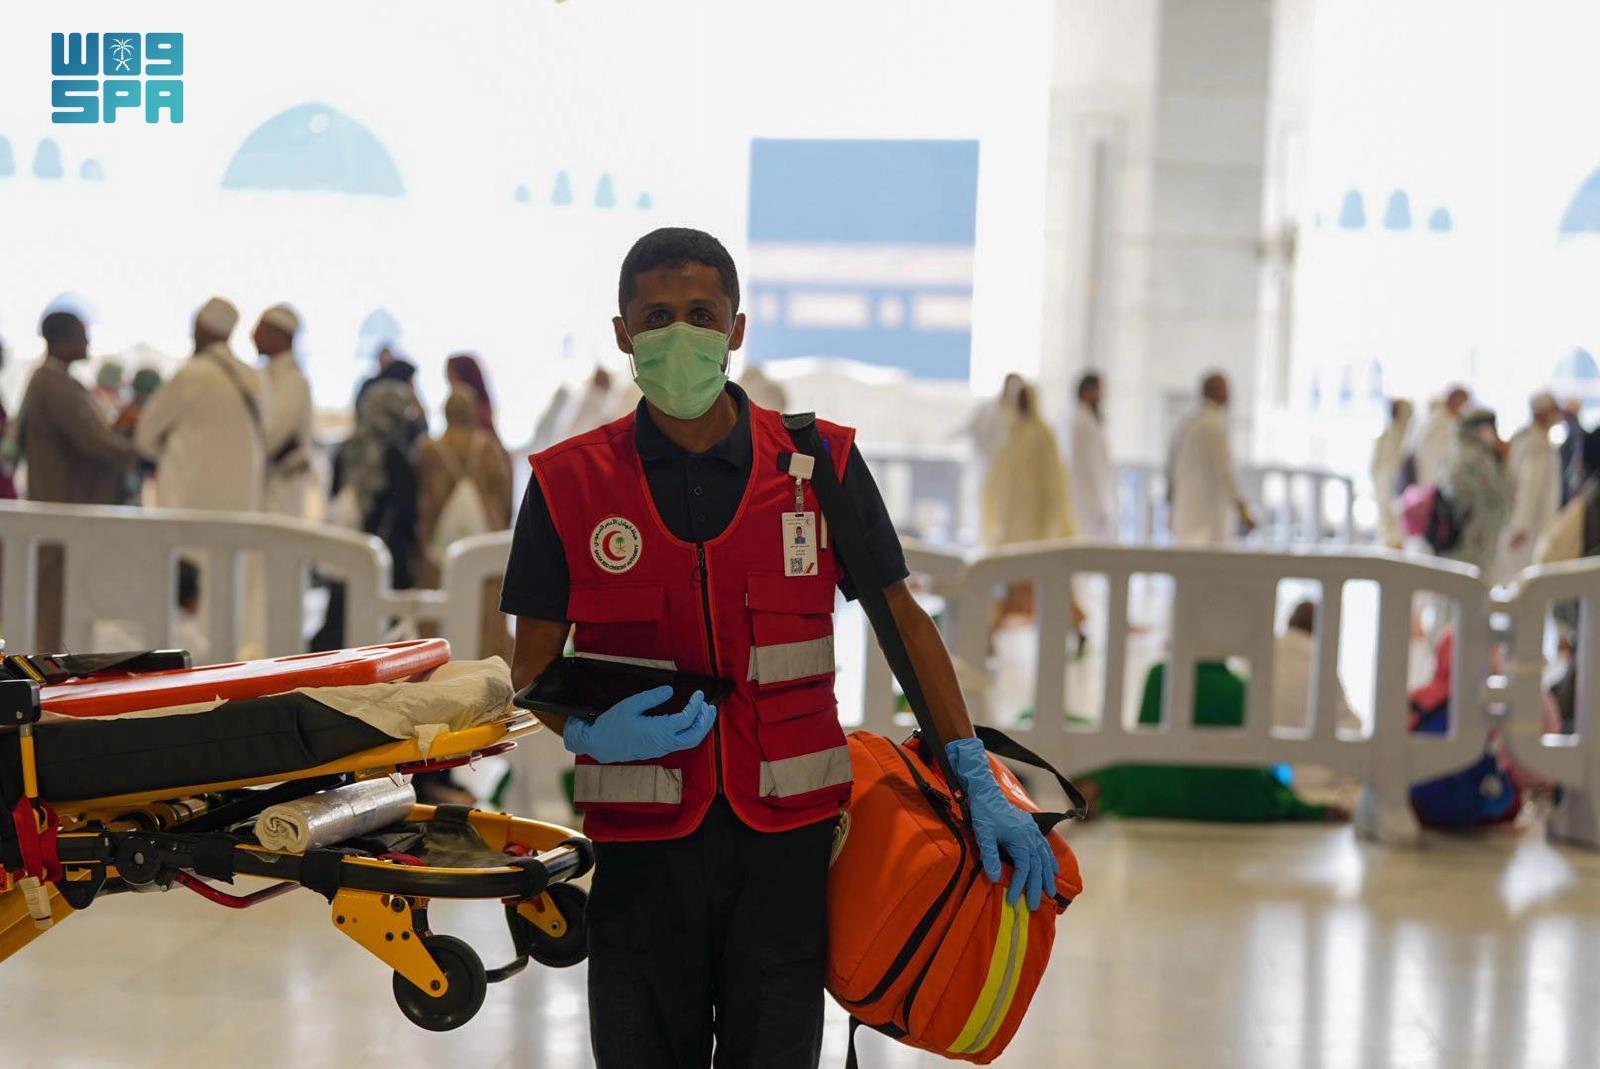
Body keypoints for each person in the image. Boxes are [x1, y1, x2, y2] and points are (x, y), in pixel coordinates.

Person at [500, 227, 1056, 1069]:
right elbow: (532, 671)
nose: (678, 334)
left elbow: (900, 616)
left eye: (700, 313)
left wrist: (973, 768)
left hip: (789, 849)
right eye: (656, 316)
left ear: (737, 328)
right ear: (622, 332)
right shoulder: (568, 483)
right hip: (642, 849)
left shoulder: (818, 463)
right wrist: (582, 731)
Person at [1075, 658, 1342, 822]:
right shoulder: (1240, 686)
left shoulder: (1159, 675)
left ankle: (1093, 789)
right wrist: (1308, 810)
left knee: (1120, 765)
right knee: (1271, 787)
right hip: (1232, 804)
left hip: (1152, 798)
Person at [18, 311, 144, 650]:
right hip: (60, 506)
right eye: (82, 335)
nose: (87, 342)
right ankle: (52, 679)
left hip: (64, 506)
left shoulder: (55, 380)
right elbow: (92, 441)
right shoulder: (51, 381)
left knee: (66, 598)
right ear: (62, 341)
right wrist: (139, 449)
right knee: (56, 603)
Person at [134, 297, 267, 512]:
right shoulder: (253, 377)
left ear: (200, 329)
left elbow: (145, 437)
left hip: (188, 503)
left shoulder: (192, 373)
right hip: (240, 506)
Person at [418, 389, 514, 660]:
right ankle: (489, 668)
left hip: (442, 540)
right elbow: (504, 492)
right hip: (485, 536)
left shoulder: (431, 447)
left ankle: (437, 665)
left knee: (439, 607)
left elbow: (426, 501)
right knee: (488, 610)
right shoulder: (487, 446)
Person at [333, 380, 423, 590]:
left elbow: (335, 491)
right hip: (387, 553)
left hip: (349, 546)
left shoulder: (348, 447)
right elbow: (407, 507)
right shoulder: (395, 454)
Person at [1167, 371, 1255, 545]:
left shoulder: (1190, 421)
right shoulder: (1212, 425)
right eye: (1225, 389)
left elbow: (1171, 465)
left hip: (1187, 512)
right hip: (1204, 519)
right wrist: (1244, 512)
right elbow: (1226, 473)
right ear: (1216, 392)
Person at [255, 304, 315, 519]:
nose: (254, 334)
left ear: (280, 335)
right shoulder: (262, 375)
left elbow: (270, 435)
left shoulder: (294, 382)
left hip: (281, 493)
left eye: (261, 328)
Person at [1496, 392, 1563, 583]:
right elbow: (1528, 488)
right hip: (1528, 528)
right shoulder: (1535, 445)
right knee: (1520, 579)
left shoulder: (1535, 440)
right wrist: (1521, 526)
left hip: (1534, 523)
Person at [1440, 408, 1513, 575]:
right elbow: (1499, 491)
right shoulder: (1475, 457)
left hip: (1469, 535)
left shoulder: (1459, 451)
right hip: (1473, 536)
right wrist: (1505, 462)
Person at [1270, 601, 1361, 735]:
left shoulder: (1263, 654)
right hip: (1304, 752)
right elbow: (1351, 724)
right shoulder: (1322, 666)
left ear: (1290, 620)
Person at [1068, 370, 1117, 542]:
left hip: (1094, 498)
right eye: (1099, 389)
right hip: (1088, 500)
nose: (1102, 394)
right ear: (1088, 391)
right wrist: (1101, 503)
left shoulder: (1088, 419)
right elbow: (1089, 467)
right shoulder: (1080, 421)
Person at [1370, 398, 1414, 548]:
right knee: (1388, 526)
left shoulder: (1409, 437)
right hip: (1386, 484)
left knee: (1399, 527)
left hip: (1400, 488)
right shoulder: (1386, 436)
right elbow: (1375, 466)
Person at [1412, 385, 1470, 488]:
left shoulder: (1449, 420)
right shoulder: (1438, 421)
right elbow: (1430, 455)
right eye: (1463, 404)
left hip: (1439, 474)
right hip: (1432, 475)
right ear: (1455, 401)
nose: (1464, 409)